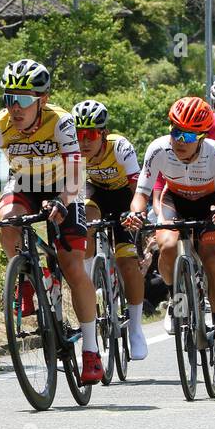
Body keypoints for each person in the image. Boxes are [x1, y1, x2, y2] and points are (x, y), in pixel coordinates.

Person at [0, 59, 102, 382]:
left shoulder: (62, 122)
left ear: (43, 100)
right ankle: (25, 277)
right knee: (8, 220)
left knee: (72, 265)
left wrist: (64, 202)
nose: (15, 108)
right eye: (10, 98)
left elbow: (76, 174)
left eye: (23, 100)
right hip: (24, 184)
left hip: (62, 186)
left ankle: (91, 350)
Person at [124, 96, 215, 364]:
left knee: (212, 258)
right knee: (168, 245)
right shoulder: (158, 149)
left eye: (187, 135)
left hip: (208, 204)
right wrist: (135, 212)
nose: (179, 141)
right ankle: (176, 297)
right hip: (175, 201)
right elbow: (141, 194)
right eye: (175, 131)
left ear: (201, 136)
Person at [73, 99, 148, 360]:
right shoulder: (73, 151)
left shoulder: (120, 147)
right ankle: (90, 278)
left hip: (123, 197)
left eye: (90, 134)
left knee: (127, 261)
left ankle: (136, 328)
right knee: (86, 219)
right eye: (78, 134)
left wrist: (137, 214)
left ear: (103, 133)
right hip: (96, 194)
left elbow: (137, 186)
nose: (84, 141)